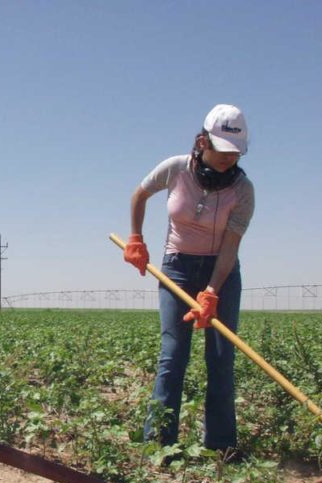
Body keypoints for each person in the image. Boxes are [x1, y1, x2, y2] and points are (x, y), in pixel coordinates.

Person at [123, 104, 254, 462]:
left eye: (235, 153)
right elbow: (139, 195)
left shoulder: (243, 191)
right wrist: (136, 239)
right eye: (222, 149)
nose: (228, 158)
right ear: (203, 141)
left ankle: (222, 446)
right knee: (173, 354)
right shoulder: (176, 168)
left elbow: (230, 248)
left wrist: (212, 291)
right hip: (176, 268)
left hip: (222, 274)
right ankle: (159, 443)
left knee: (221, 357)